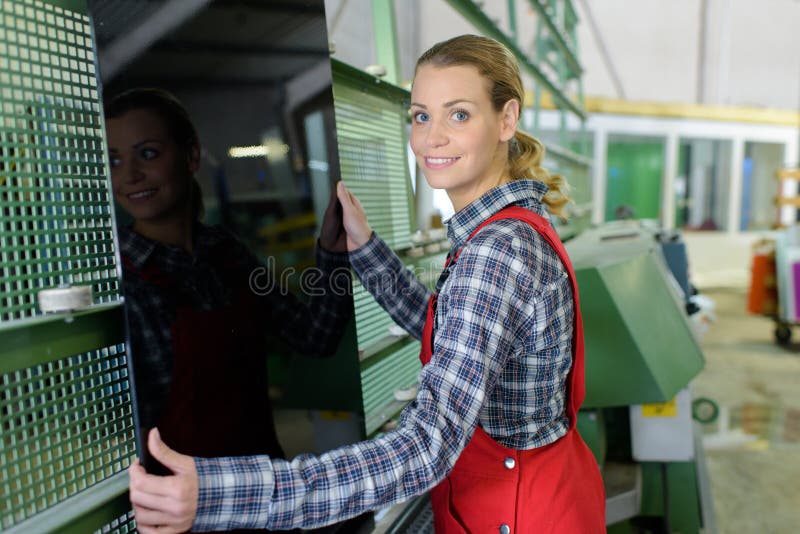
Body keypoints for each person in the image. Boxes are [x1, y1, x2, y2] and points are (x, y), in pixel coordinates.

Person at [128, 35, 605, 533]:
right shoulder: (513, 226)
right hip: (549, 495)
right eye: (421, 116)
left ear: (507, 120)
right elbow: (463, 336)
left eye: (458, 114)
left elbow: (426, 447)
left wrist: (226, 494)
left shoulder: (496, 251)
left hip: (516, 514)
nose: (431, 138)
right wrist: (366, 250)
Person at [105, 88, 352, 503]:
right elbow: (127, 441)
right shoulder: (124, 285)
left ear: (191, 155)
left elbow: (315, 336)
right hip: (187, 511)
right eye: (114, 160)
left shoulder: (227, 253)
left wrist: (332, 252)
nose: (129, 175)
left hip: (265, 495)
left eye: (147, 153)